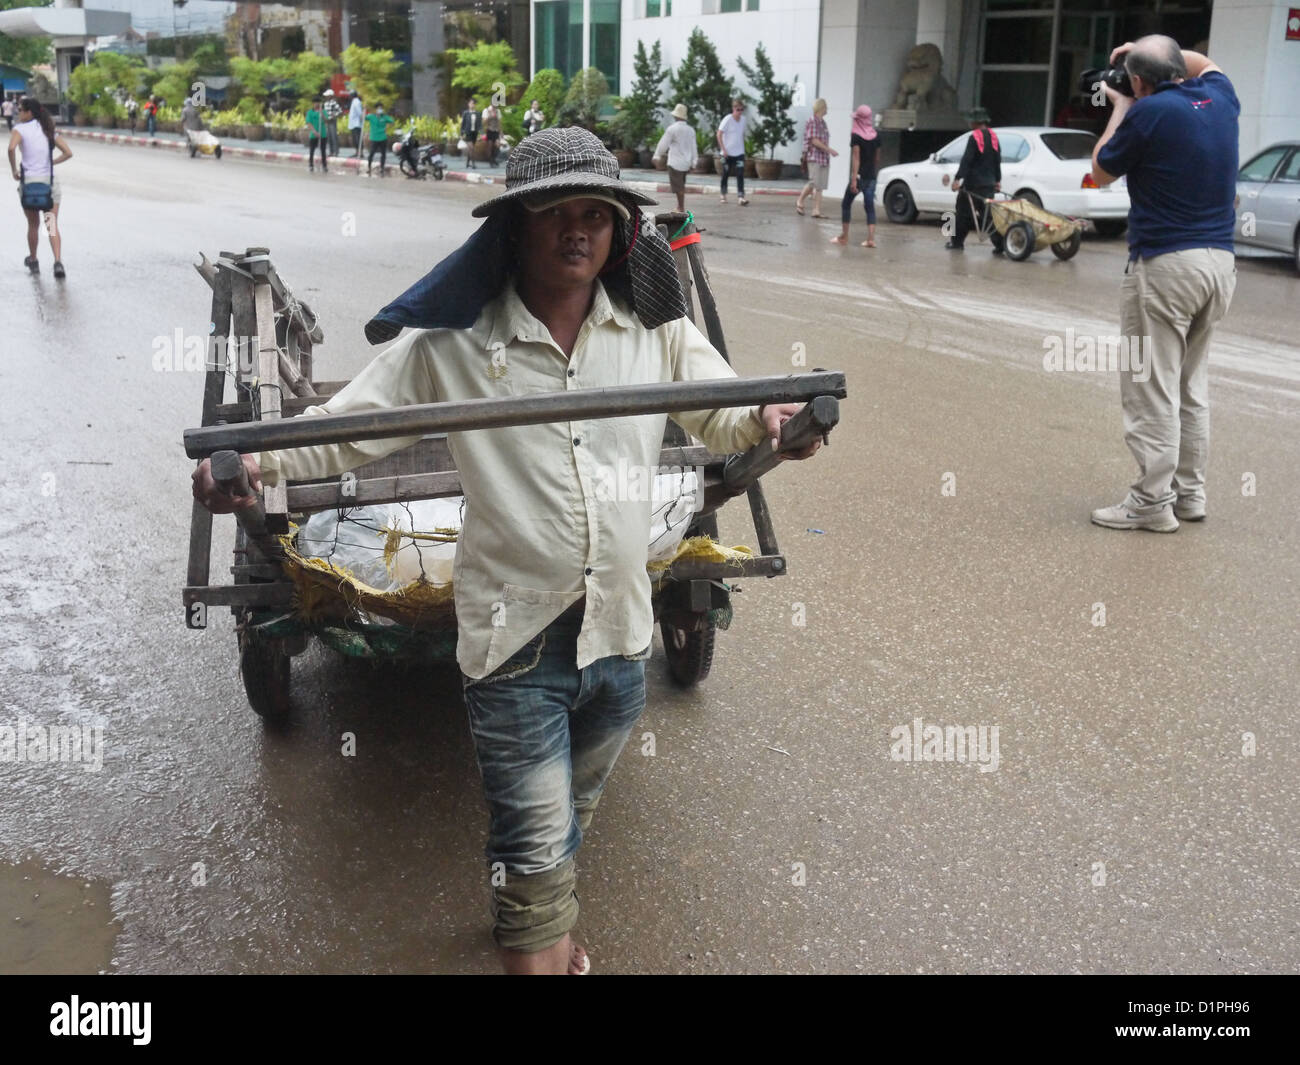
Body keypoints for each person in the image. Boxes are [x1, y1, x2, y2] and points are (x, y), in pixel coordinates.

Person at [190, 126, 821, 974]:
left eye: (594, 213)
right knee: (532, 847)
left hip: (622, 641)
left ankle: (532, 906)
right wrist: (257, 461)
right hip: (515, 645)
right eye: (554, 212)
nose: (576, 230)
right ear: (515, 228)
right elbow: (343, 432)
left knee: (563, 820)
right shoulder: (453, 343)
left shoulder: (656, 331)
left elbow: (729, 414)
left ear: (618, 230)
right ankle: (535, 941)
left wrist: (777, 423)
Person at [1088, 37, 1238, 532]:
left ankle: (1152, 504)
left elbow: (1102, 169)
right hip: (1219, 265)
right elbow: (1205, 63)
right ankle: (1189, 495)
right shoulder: (1219, 97)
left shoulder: (1147, 115)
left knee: (1152, 389)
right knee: (1190, 387)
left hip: (1168, 266)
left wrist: (1123, 108)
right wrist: (1143, 50)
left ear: (1136, 81)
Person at [8, 97, 72, 278]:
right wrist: (52, 162)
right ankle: (58, 262)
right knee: (51, 224)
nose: (18, 112)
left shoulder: (19, 129)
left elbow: (11, 149)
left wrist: (14, 170)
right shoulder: (48, 130)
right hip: (49, 182)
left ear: (29, 112)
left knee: (33, 225)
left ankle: (34, 260)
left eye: (20, 110)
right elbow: (68, 153)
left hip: (29, 183)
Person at [947, 108, 1003, 253]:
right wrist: (997, 180)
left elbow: (967, 160)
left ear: (976, 121)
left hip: (973, 185)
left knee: (961, 213)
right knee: (988, 217)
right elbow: (997, 160)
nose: (969, 122)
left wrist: (957, 179)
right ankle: (1001, 245)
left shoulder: (975, 137)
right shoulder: (993, 136)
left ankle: (956, 242)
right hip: (989, 185)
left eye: (971, 120)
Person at [830, 105, 881, 247]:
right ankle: (871, 239)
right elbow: (877, 159)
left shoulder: (856, 136)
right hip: (871, 177)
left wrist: (854, 180)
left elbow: (856, 158)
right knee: (869, 206)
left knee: (846, 204)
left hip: (859, 177)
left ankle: (844, 237)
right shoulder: (877, 136)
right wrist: (871, 171)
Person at [653, 103, 697, 213]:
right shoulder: (690, 130)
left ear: (676, 116)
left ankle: (680, 207)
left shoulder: (672, 129)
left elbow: (663, 144)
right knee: (681, 185)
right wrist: (694, 162)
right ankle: (679, 206)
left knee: (679, 188)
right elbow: (694, 147)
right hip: (686, 162)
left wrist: (657, 155)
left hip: (675, 162)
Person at [796, 98, 836, 218]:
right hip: (814, 156)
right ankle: (800, 200)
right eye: (826, 107)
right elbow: (814, 141)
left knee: (820, 185)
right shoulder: (812, 121)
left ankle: (816, 210)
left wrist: (827, 152)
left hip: (823, 157)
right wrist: (830, 150)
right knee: (813, 182)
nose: (827, 109)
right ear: (821, 108)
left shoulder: (823, 123)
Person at [716, 98, 749, 205]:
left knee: (740, 173)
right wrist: (723, 149)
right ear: (733, 109)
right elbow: (719, 134)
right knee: (725, 172)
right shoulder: (727, 119)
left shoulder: (743, 120)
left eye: (741, 110)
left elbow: (741, 135)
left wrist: (744, 149)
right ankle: (723, 194)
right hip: (725, 153)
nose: (739, 112)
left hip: (739, 153)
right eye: (738, 109)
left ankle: (741, 196)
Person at [366, 104, 395, 176]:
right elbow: (363, 118)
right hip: (374, 138)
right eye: (378, 109)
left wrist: (387, 128)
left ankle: (382, 168)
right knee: (371, 153)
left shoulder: (385, 117)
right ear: (375, 110)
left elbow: (392, 122)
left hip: (383, 138)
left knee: (383, 154)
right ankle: (369, 167)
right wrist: (364, 110)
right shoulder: (371, 116)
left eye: (381, 109)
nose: (380, 110)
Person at [305, 98, 328, 173]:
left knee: (323, 151)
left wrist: (322, 114)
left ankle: (324, 166)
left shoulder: (323, 111)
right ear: (313, 104)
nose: (316, 104)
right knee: (312, 151)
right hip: (313, 135)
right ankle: (311, 165)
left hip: (322, 134)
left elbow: (326, 121)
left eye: (318, 103)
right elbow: (308, 123)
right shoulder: (310, 112)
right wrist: (314, 132)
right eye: (315, 103)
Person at [461, 97, 482, 169]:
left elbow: (479, 124)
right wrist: (461, 133)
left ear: (475, 105)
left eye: (473, 104)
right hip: (468, 132)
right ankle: (473, 163)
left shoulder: (478, 113)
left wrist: (480, 133)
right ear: (468, 104)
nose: (472, 105)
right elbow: (463, 124)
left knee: (471, 149)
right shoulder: (465, 113)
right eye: (471, 103)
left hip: (474, 133)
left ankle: (467, 162)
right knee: (471, 148)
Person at [322, 89, 342, 157]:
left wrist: (335, 115)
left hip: (332, 121)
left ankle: (336, 151)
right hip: (327, 121)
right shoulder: (325, 103)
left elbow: (339, 111)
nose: (326, 97)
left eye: (327, 95)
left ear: (331, 96)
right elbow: (324, 112)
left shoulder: (334, 103)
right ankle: (331, 151)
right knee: (329, 137)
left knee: (334, 136)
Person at [483, 101, 501, 165]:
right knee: (490, 146)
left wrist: (501, 131)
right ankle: (491, 160)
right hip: (489, 129)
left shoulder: (498, 111)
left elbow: (499, 122)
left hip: (496, 130)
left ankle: (493, 158)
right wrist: (490, 116)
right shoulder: (486, 110)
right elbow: (484, 122)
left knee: (497, 145)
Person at [348, 91, 364, 157]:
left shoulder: (356, 102)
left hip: (356, 124)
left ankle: (361, 153)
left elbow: (360, 113)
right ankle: (357, 152)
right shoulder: (354, 101)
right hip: (353, 124)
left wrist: (361, 122)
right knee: (355, 139)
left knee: (358, 139)